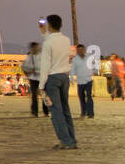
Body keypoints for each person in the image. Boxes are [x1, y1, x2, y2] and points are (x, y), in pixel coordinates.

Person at [38, 14, 76, 150]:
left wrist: (41, 85)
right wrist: (44, 32)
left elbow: (45, 65)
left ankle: (65, 141)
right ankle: (71, 139)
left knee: (56, 111)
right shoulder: (66, 40)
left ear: (49, 25)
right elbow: (53, 41)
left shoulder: (47, 43)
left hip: (52, 79)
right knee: (65, 110)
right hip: (64, 77)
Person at [21, 42, 48, 117]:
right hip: (33, 78)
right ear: (32, 48)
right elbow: (23, 67)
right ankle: (34, 112)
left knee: (44, 95)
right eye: (34, 47)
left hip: (42, 78)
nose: (36, 49)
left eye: (37, 47)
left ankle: (46, 112)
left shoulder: (43, 56)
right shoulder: (29, 58)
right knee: (34, 96)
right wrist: (29, 73)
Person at [70, 43, 96, 119]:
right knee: (81, 98)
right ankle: (83, 112)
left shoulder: (89, 58)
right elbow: (72, 69)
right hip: (80, 81)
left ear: (84, 50)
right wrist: (71, 78)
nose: (80, 51)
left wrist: (93, 72)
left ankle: (90, 114)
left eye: (81, 50)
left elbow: (94, 66)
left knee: (89, 97)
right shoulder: (75, 59)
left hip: (88, 80)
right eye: (78, 50)